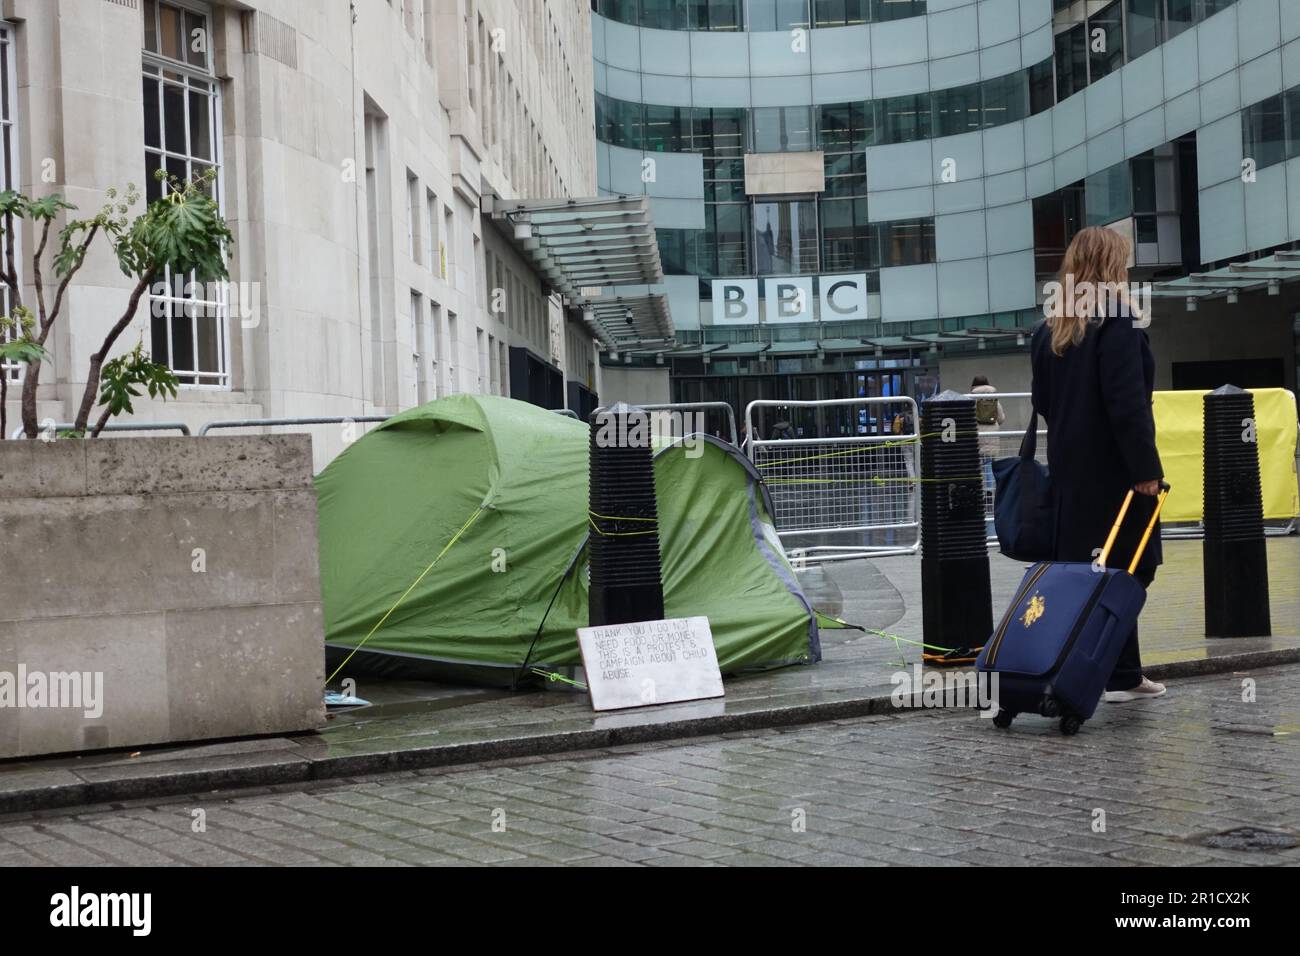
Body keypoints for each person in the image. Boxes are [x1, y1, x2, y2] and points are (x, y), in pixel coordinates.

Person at [1031, 226, 1167, 703]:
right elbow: (1127, 403)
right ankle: (1103, 669)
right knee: (1133, 568)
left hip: (1069, 473)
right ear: (1112, 265)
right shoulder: (1118, 320)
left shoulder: (1051, 325)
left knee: (1091, 572)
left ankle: (1122, 673)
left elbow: (1043, 401)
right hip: (1116, 474)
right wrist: (1146, 470)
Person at [971, 375, 1006, 533]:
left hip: (977, 435)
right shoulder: (994, 398)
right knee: (989, 465)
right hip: (992, 435)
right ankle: (989, 493)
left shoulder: (971, 398)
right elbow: (1002, 418)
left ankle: (978, 492)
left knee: (976, 466)